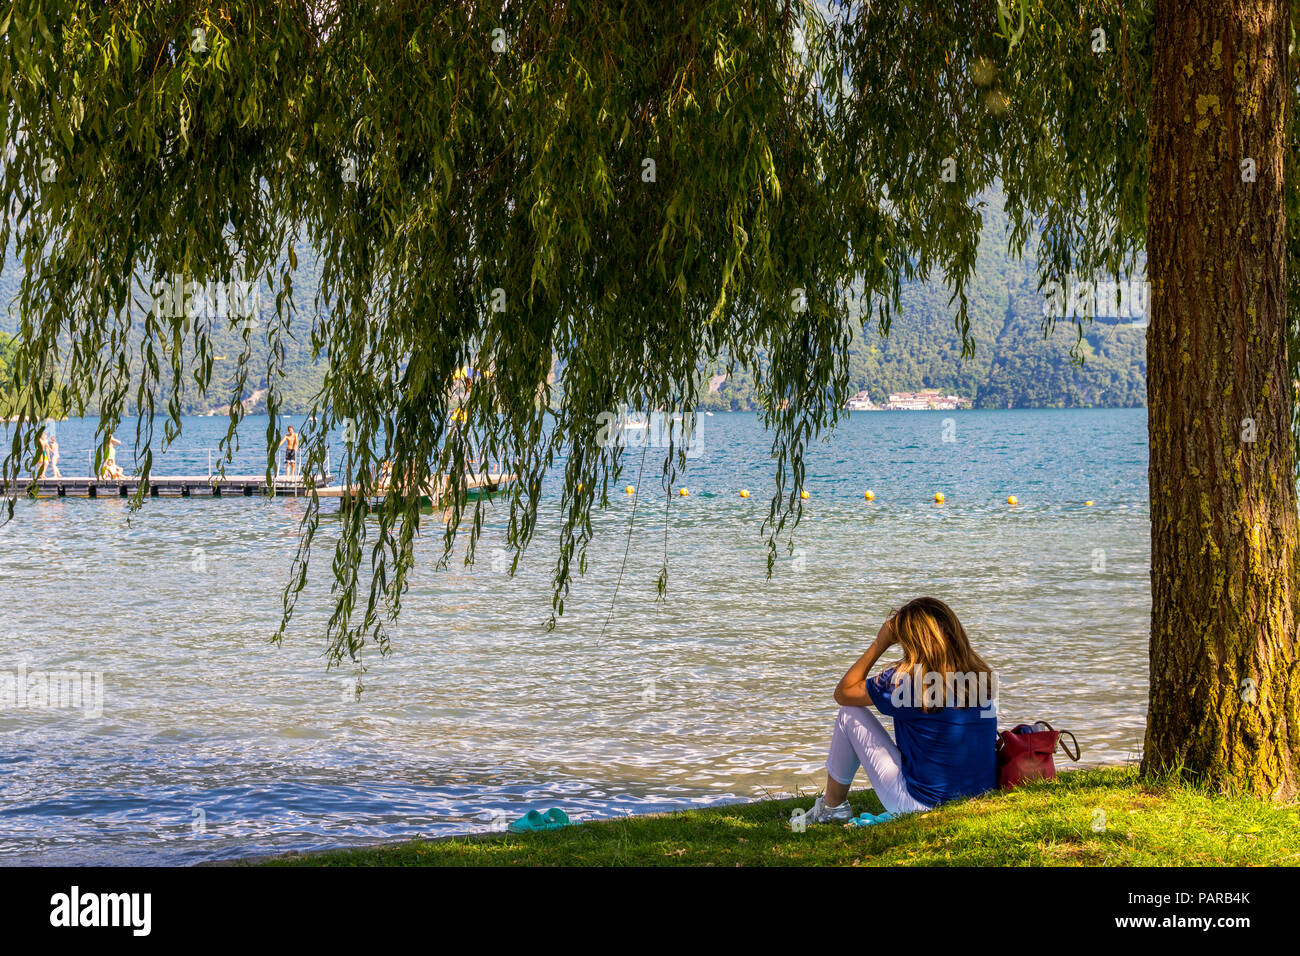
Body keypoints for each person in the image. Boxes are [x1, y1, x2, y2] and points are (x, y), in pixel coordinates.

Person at [805, 596, 997, 823]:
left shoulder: (904, 681)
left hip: (921, 805)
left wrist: (881, 642)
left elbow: (843, 693)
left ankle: (832, 807)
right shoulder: (978, 676)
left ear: (908, 639)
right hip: (980, 797)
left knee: (850, 713)